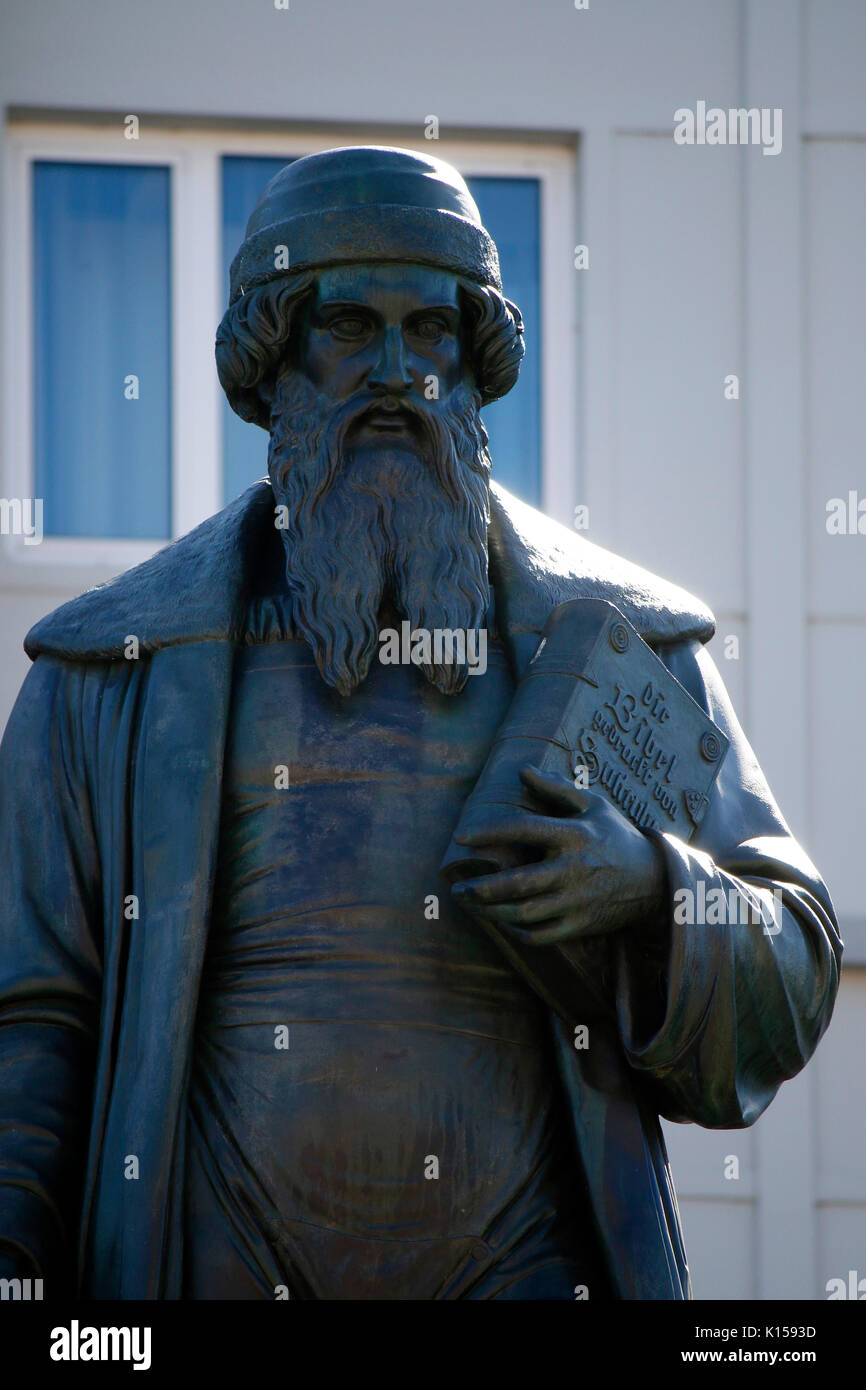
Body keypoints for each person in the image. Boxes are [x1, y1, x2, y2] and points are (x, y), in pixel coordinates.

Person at [0, 146, 841, 1300]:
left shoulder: (616, 652)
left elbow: (793, 959)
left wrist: (649, 889)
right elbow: (30, 1023)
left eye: (432, 333)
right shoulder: (115, 673)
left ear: (475, 360)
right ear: (275, 359)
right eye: (347, 328)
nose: (396, 374)